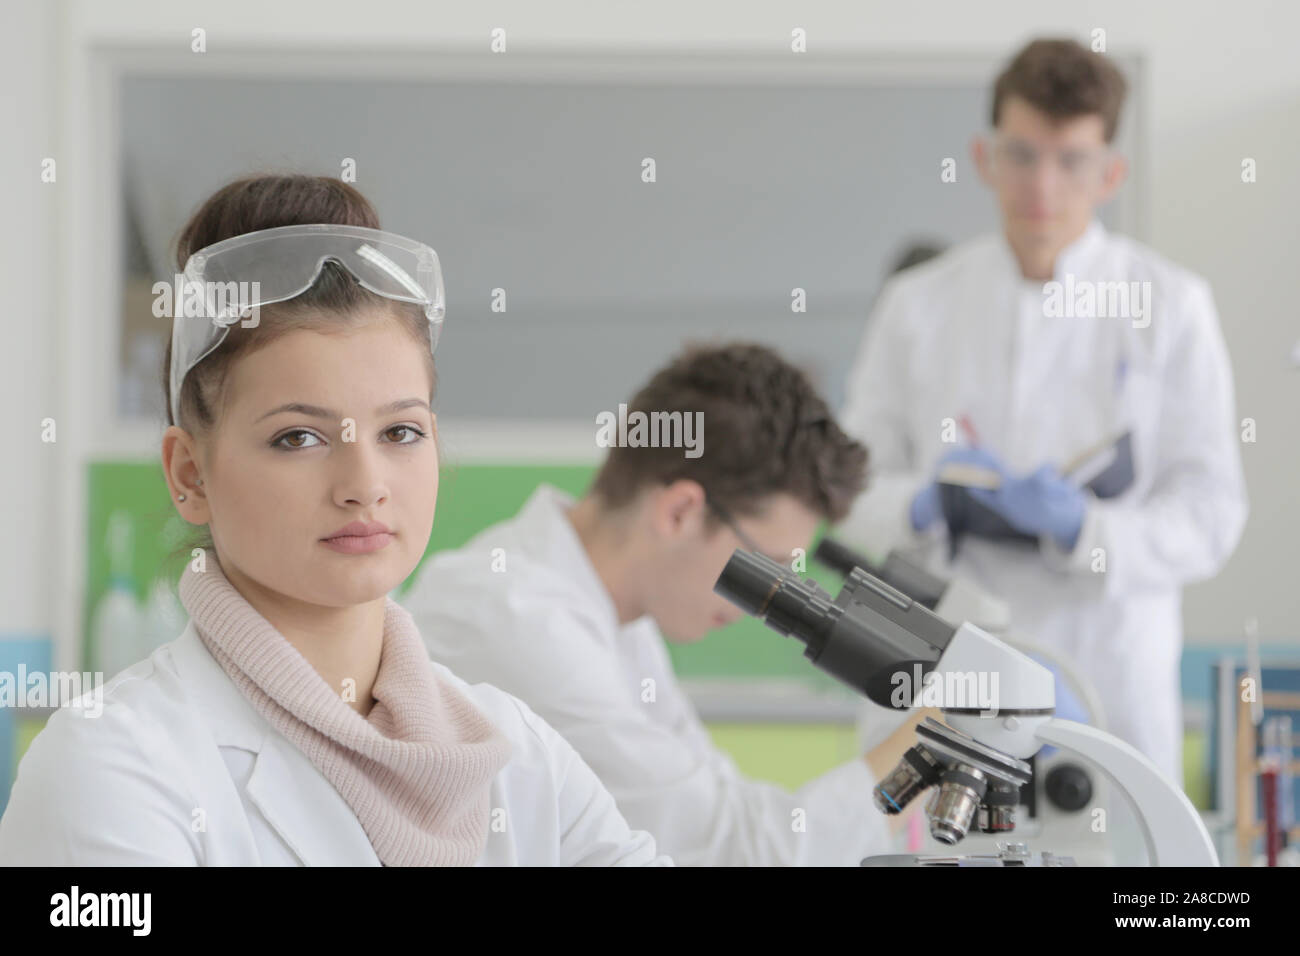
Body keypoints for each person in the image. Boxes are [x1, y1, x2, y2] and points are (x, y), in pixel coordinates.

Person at [0, 174, 669, 866]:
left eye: (401, 432)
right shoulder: (109, 769)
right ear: (189, 476)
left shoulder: (521, 756)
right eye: (299, 437)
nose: (365, 486)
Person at [836, 38, 1248, 784]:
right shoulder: (917, 304)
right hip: (943, 654)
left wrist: (1085, 529)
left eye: (1071, 160)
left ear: (1112, 172)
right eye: (1021, 155)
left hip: (1106, 664)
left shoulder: (1171, 306)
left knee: (1113, 859)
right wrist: (924, 506)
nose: (1042, 186)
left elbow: (1212, 512)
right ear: (985, 156)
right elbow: (849, 489)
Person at [405, 344, 930, 866]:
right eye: (768, 566)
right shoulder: (515, 619)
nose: (763, 606)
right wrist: (937, 737)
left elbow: (727, 805)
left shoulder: (621, 620)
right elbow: (734, 854)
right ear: (679, 511)